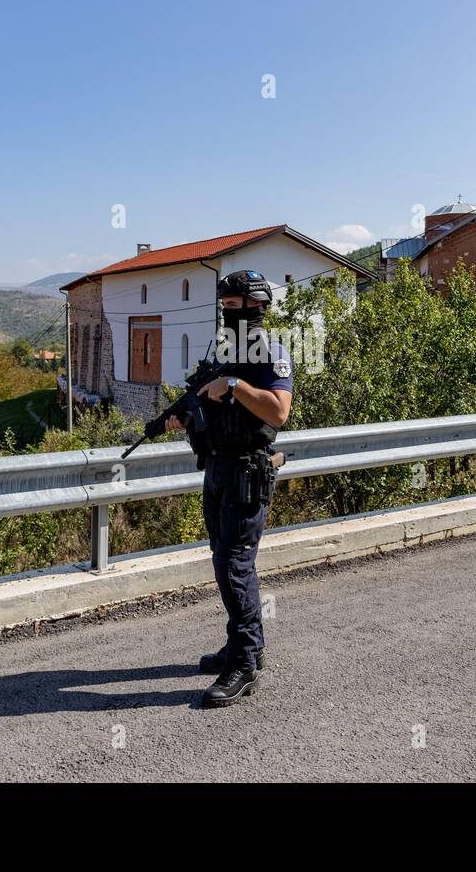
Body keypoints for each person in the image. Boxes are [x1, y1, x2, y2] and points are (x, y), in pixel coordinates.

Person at [164, 270, 293, 707]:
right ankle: (241, 644)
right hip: (217, 468)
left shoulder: (270, 352)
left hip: (246, 471)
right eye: (224, 305)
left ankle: (245, 661)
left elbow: (278, 413)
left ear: (256, 305)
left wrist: (235, 386)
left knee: (236, 565)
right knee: (224, 561)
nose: (227, 312)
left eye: (234, 305)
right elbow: (204, 398)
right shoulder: (223, 349)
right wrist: (184, 416)